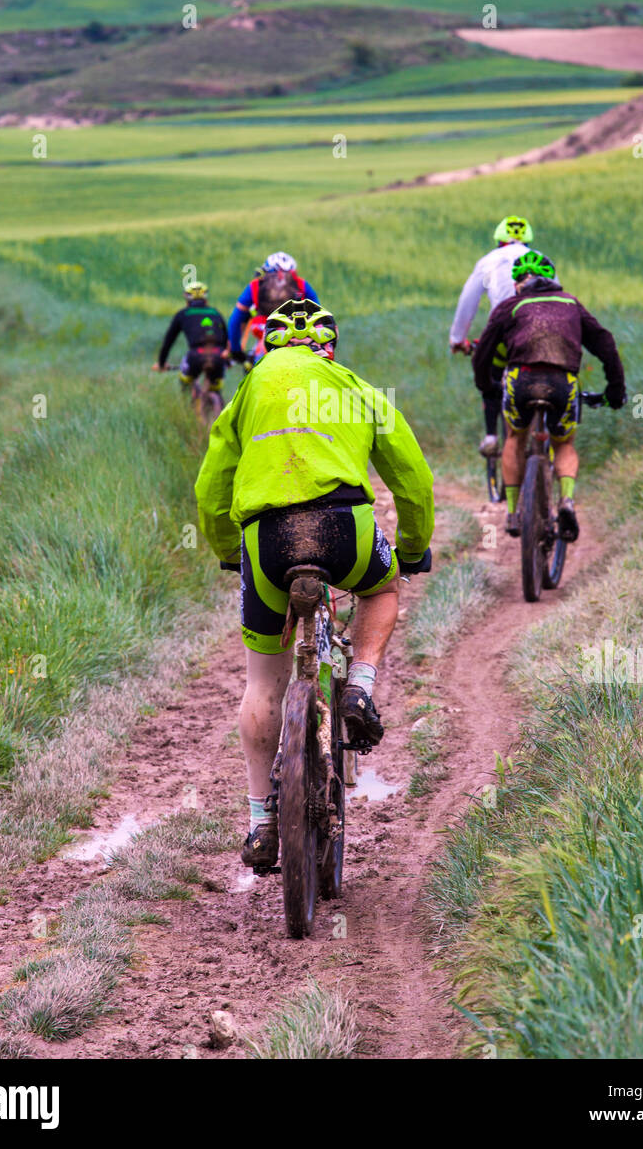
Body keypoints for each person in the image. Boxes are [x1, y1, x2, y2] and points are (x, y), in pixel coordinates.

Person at [195, 296, 434, 869]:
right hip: (343, 531)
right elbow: (414, 478)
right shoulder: (352, 383)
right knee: (382, 590)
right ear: (329, 346)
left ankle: (259, 823)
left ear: (268, 344)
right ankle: (360, 686)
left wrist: (231, 552)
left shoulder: (250, 390)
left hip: (268, 541)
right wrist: (412, 549)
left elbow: (211, 486)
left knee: (262, 686)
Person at [472, 250, 626, 542]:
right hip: (562, 383)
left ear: (518, 284)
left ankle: (514, 513)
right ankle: (566, 501)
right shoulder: (571, 304)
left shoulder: (510, 307)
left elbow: (483, 355)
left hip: (521, 381)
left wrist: (487, 388)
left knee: (515, 437)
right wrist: (615, 392)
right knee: (564, 443)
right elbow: (605, 344)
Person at [449, 217, 553, 459]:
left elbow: (468, 301)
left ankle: (491, 437)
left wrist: (457, 339)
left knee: (489, 372)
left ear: (499, 240)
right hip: (546, 330)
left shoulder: (489, 261)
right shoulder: (541, 258)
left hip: (505, 333)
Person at [225, 251, 319, 365]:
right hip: (298, 337)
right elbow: (318, 315)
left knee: (256, 364)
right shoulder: (302, 285)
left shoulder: (255, 286)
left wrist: (235, 350)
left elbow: (236, 320)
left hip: (265, 335)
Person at [152, 279, 228, 393]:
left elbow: (168, 342)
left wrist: (162, 363)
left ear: (187, 300)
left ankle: (188, 407)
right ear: (205, 299)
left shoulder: (182, 314)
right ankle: (217, 403)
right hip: (219, 355)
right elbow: (227, 337)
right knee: (216, 386)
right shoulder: (215, 312)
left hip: (196, 355)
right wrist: (228, 359)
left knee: (185, 380)